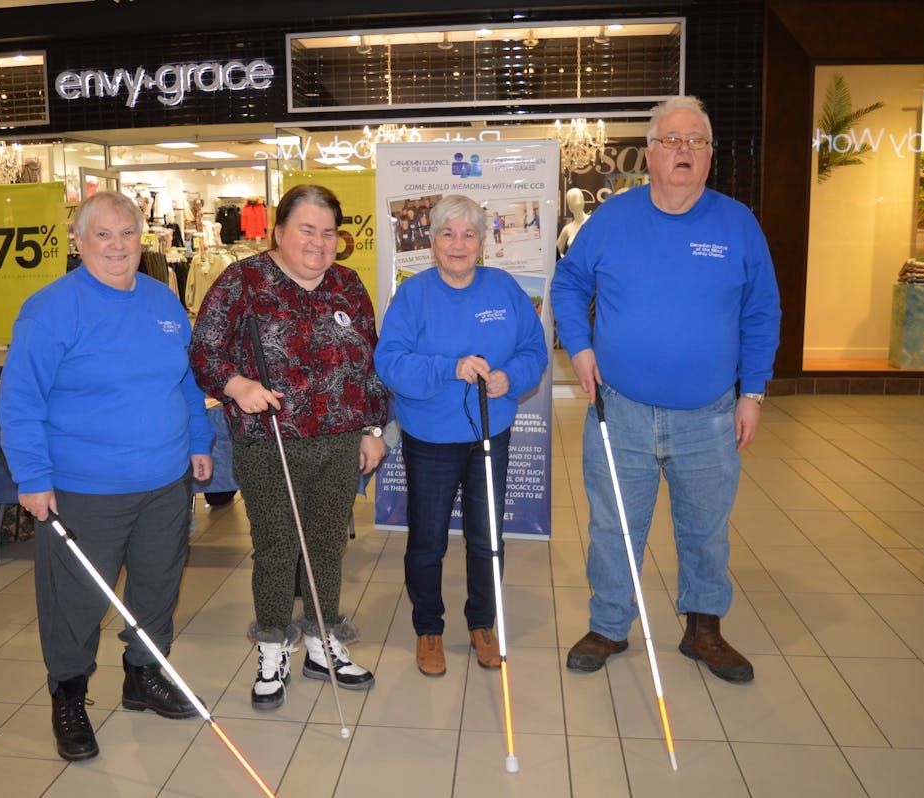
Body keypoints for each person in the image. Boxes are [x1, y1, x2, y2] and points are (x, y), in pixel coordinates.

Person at [551, 96, 781, 684]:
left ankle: (703, 628)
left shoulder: (737, 224)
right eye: (673, 141)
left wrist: (752, 392)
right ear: (650, 153)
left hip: (710, 416)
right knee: (613, 526)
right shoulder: (613, 220)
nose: (684, 152)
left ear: (709, 157)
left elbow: (762, 312)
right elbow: (570, 283)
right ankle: (609, 625)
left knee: (705, 527)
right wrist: (578, 347)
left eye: (697, 143)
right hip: (620, 410)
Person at [0, 190, 214, 762]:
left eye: (126, 234)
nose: (117, 246)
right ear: (78, 241)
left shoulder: (163, 301)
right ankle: (68, 695)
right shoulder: (50, 310)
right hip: (83, 487)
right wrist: (32, 475)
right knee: (76, 601)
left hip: (165, 482)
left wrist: (198, 440)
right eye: (103, 235)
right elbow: (20, 400)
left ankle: (144, 674)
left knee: (157, 585)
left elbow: (186, 382)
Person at [190, 184, 388, 711]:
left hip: (341, 439)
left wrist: (373, 429)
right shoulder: (242, 281)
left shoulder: (347, 284)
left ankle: (323, 640)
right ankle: (273, 644)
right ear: (278, 231)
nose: (319, 243)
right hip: (269, 440)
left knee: (326, 543)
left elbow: (369, 362)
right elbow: (204, 350)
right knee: (278, 547)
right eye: (307, 230)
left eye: (328, 233)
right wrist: (236, 386)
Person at [374, 195, 548, 676]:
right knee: (427, 538)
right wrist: (449, 368)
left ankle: (482, 622)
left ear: (482, 244)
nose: (458, 244)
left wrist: (510, 377)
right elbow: (389, 363)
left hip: (492, 434)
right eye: (447, 234)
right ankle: (428, 627)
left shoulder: (505, 289)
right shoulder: (413, 294)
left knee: (487, 536)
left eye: (469, 234)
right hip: (430, 437)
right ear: (431, 243)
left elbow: (535, 349)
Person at [555, 188, 589, 257]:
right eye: (572, 201)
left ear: (583, 201)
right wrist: (567, 260)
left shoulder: (593, 221)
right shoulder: (567, 229)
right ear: (569, 206)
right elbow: (556, 253)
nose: (576, 204)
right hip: (575, 267)